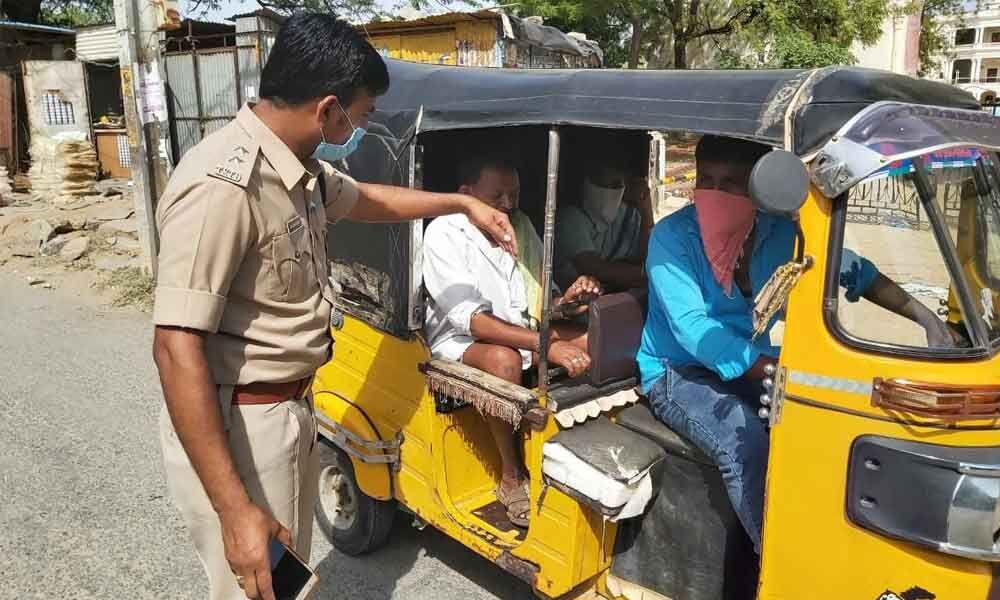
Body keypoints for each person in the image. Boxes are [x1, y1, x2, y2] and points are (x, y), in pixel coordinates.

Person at [152, 15, 518, 600]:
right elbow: (175, 348)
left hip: (291, 410)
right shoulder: (224, 186)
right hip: (243, 424)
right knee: (258, 585)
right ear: (328, 110)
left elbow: (371, 199)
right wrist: (234, 507)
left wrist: (460, 203)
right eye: (364, 114)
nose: (363, 127)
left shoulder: (298, 172)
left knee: (289, 575)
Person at [637, 135, 959, 553]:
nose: (716, 194)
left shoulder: (780, 234)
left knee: (825, 425)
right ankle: (774, 562)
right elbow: (694, 331)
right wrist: (776, 372)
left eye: (732, 183)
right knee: (748, 443)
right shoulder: (671, 238)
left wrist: (926, 318)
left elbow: (852, 271)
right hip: (677, 371)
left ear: (758, 188)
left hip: (751, 363)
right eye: (707, 180)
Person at [422, 154, 602, 527]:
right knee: (503, 361)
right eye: (497, 196)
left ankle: (570, 450)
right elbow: (470, 320)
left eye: (514, 195)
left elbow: (539, 299)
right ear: (466, 195)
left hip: (522, 331)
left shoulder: (520, 226)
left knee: (593, 339)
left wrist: (566, 303)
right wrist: (545, 344)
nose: (507, 204)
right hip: (460, 340)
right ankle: (510, 475)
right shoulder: (444, 232)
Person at [554, 161, 654, 292]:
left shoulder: (629, 215)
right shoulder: (570, 218)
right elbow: (595, 269)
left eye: (616, 185)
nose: (609, 191)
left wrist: (646, 211)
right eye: (602, 184)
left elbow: (647, 255)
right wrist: (649, 274)